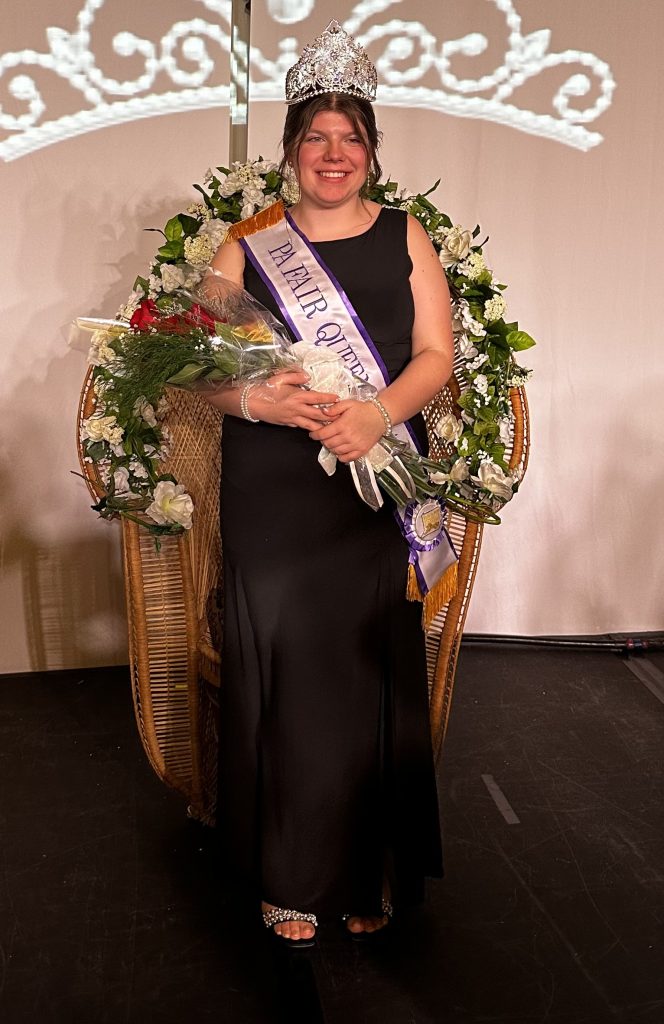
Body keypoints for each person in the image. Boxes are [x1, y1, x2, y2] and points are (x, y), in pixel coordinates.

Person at [205, 21, 454, 947]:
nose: (334, 153)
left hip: (365, 479)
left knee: (358, 669)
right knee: (288, 668)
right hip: (273, 486)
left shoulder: (404, 236)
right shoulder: (249, 246)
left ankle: (358, 868)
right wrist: (261, 406)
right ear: (290, 153)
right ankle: (287, 874)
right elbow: (201, 369)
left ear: (373, 155)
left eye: (351, 139)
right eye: (317, 137)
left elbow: (436, 356)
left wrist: (377, 417)